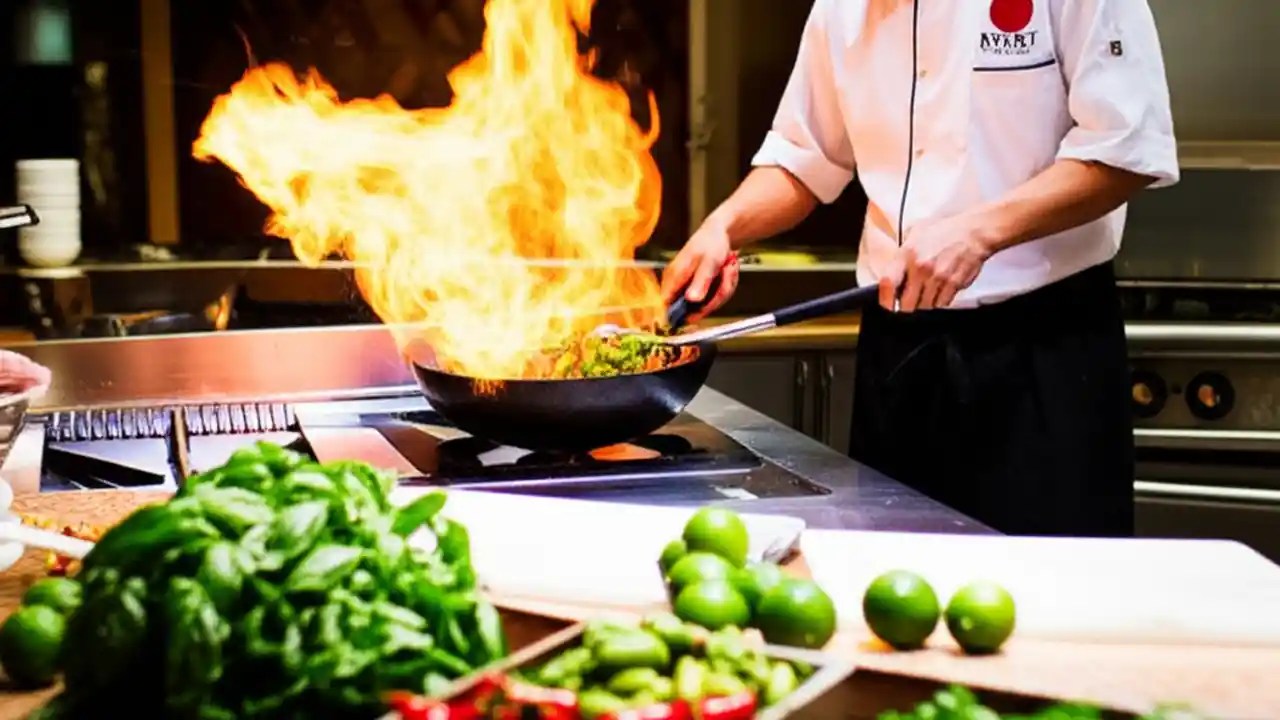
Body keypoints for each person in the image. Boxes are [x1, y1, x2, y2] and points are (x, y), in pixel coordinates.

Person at [661, 0, 1178, 537]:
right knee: (895, 569)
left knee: (1047, 577)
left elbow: (1125, 150)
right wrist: (723, 227)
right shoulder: (841, 10)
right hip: (899, 349)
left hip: (1041, 349)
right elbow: (805, 157)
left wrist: (980, 232)